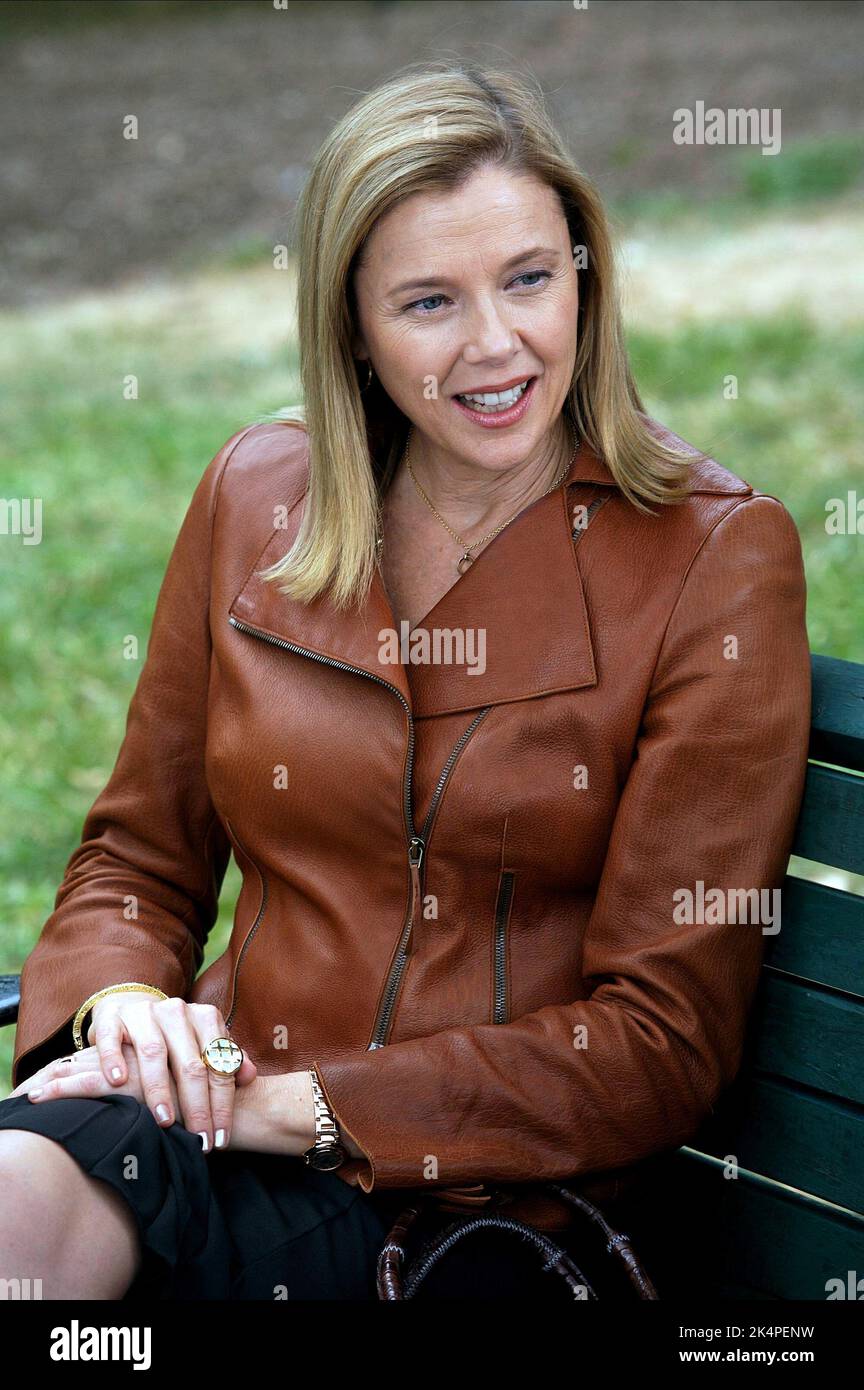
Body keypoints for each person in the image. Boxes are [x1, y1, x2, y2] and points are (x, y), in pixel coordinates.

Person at [0, 60, 811, 1301]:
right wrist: (121, 1003)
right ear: (354, 331)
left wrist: (286, 1106)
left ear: (585, 280)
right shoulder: (255, 496)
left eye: (530, 279)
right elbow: (138, 859)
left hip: (489, 1209)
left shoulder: (711, 556)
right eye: (430, 300)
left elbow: (661, 1041)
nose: (497, 343)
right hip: (208, 1128)